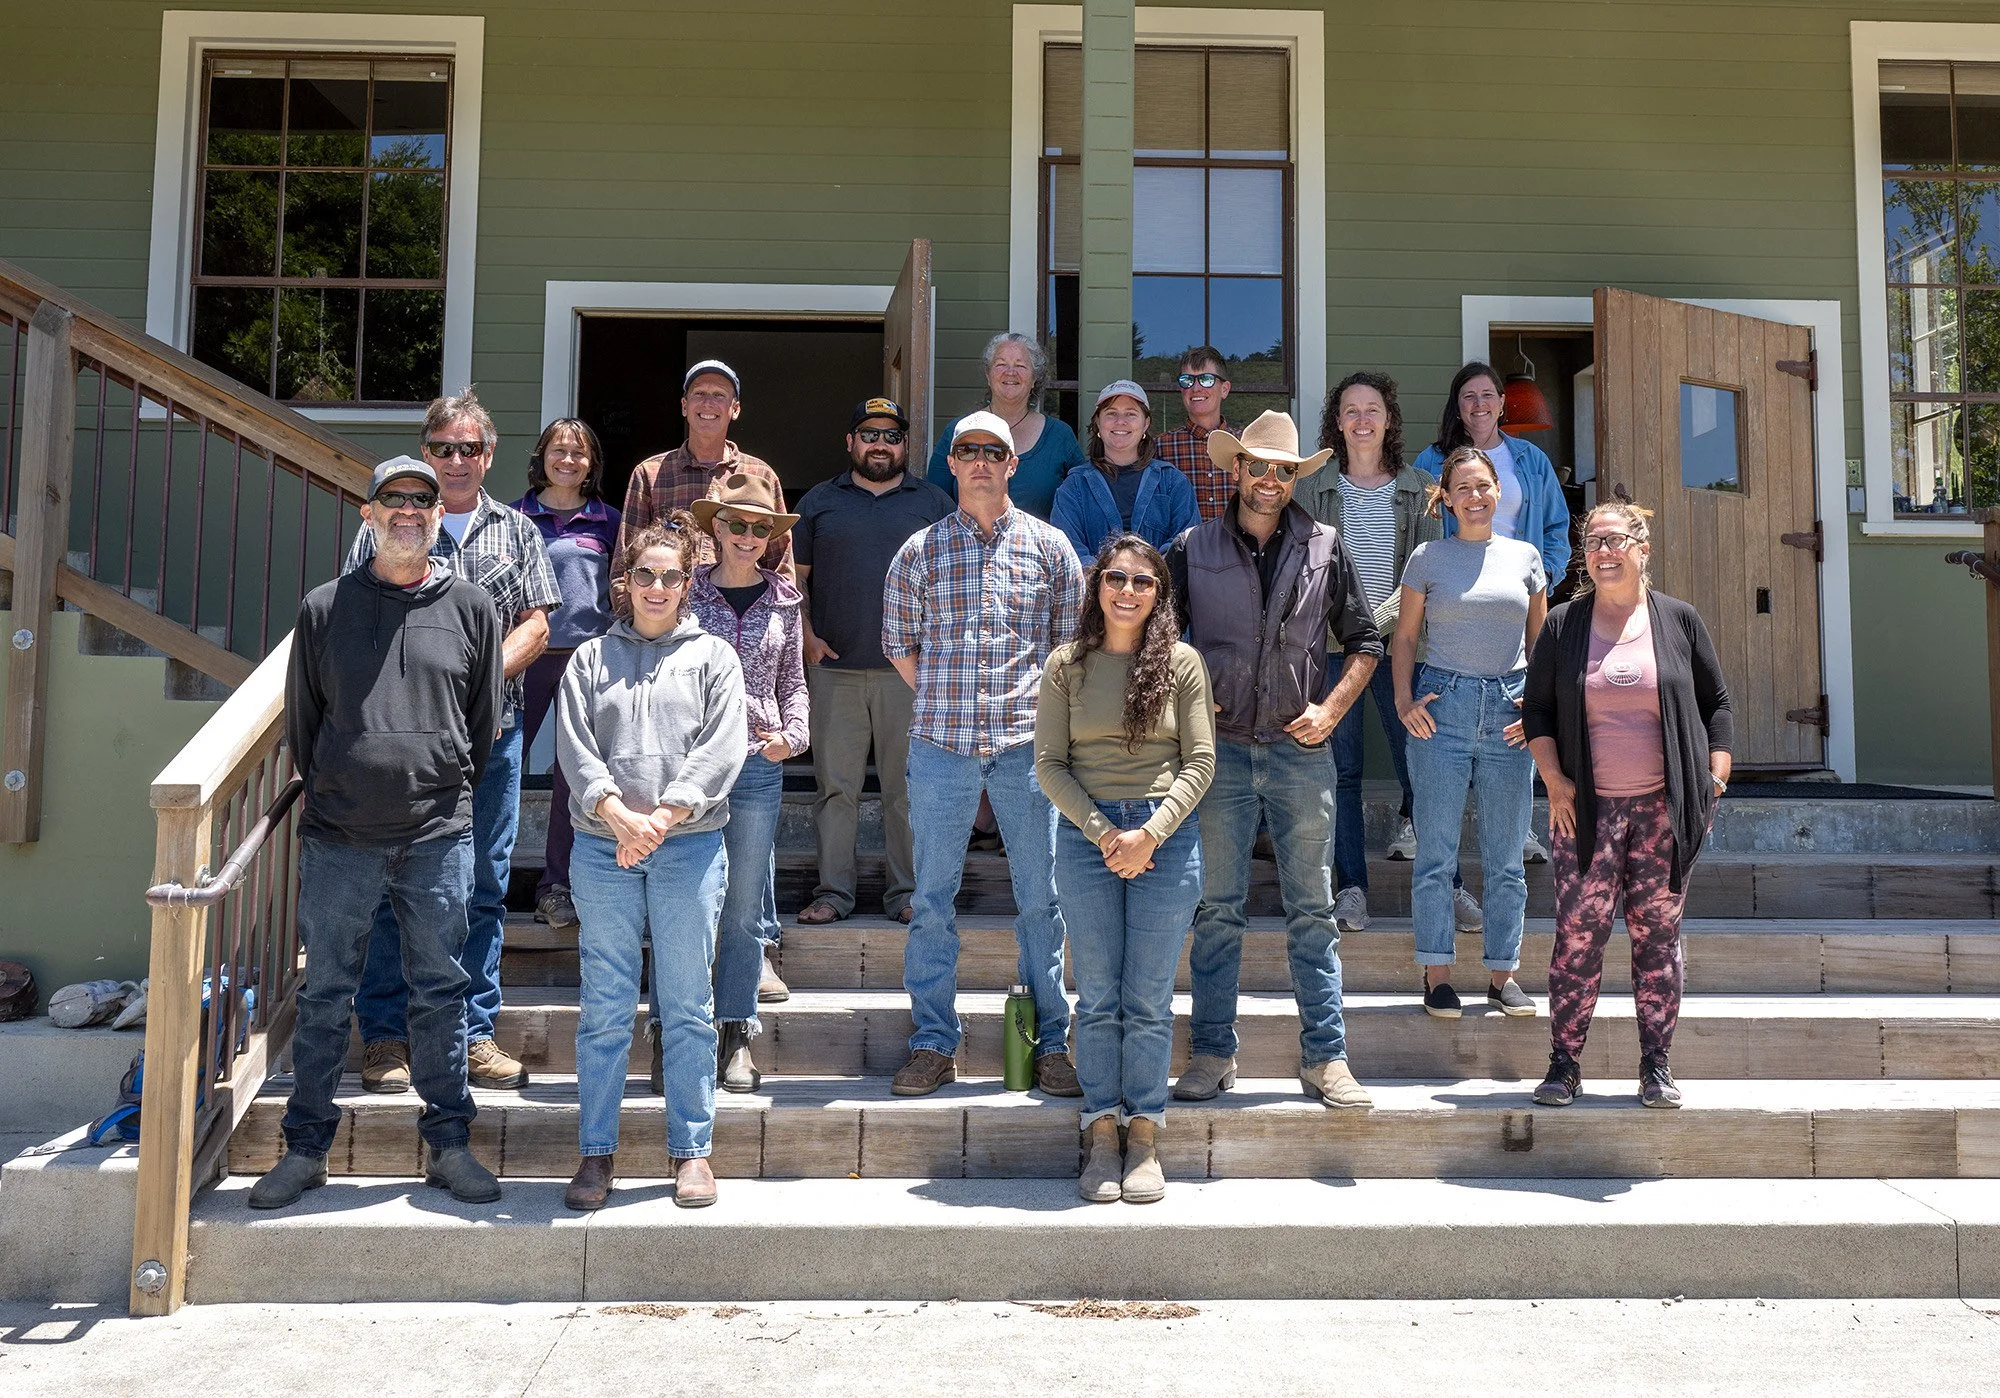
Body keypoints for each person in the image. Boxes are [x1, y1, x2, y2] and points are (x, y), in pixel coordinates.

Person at [252, 456, 504, 1209]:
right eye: (393, 498)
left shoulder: (473, 607)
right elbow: (305, 722)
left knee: (440, 992)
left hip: (436, 835)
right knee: (328, 993)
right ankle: (305, 1150)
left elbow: (482, 728)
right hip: (340, 836)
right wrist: (344, 779)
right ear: (368, 514)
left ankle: (450, 1145)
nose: (407, 510)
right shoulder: (324, 608)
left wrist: (438, 782)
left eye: (421, 500)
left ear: (436, 516)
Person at [1165, 411, 1382, 1109]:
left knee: (1312, 911)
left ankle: (1326, 1059)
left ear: (1295, 479)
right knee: (1218, 911)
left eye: (1283, 470)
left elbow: (1367, 642)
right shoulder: (1192, 546)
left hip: (1298, 755)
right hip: (1219, 759)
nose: (1268, 480)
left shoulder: (1325, 545)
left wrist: (1332, 710)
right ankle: (1212, 1052)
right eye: (1257, 466)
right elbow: (1150, 641)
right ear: (1235, 470)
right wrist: (1185, 709)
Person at [347, 390, 560, 1095]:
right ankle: (385, 1037)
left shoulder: (517, 530)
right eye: (444, 448)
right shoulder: (391, 518)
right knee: (388, 883)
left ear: (489, 455)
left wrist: (475, 682)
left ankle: (471, 1035)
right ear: (426, 451)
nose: (457, 460)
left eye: (470, 448)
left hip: (489, 739)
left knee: (483, 885)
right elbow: (354, 613)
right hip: (398, 743)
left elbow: (537, 625)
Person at [882, 410, 1086, 1097]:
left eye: (991, 452)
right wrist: (951, 700)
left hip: (1030, 751)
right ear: (952, 461)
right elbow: (899, 647)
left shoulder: (1053, 549)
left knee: (1041, 901)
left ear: (1011, 465)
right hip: (941, 747)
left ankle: (1051, 1043)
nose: (978, 462)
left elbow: (1068, 657)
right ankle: (934, 1043)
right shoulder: (919, 552)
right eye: (966, 450)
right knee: (932, 901)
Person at [557, 516, 748, 1211]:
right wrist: (616, 816)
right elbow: (576, 749)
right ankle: (596, 1153)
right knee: (605, 1007)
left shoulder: (715, 659)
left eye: (671, 575)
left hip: (688, 849)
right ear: (624, 582)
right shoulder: (588, 660)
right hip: (603, 851)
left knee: (688, 1006)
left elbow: (722, 749)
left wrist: (663, 818)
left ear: (688, 581)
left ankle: (692, 1150)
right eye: (646, 574)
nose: (658, 586)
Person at [1523, 502, 1733, 1109]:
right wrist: (1556, 781)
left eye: (1615, 540)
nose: (1603, 552)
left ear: (1644, 550)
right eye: (1593, 542)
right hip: (1583, 812)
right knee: (1578, 938)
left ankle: (1656, 1066)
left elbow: (1717, 703)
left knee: (1657, 939)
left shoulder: (1679, 621)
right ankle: (1564, 1064)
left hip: (1662, 813)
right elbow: (1536, 709)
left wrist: (1714, 779)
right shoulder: (1564, 625)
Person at [1036, 536, 1214, 1204]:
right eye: (1116, 578)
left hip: (1165, 836)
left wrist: (1150, 834)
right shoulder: (1066, 666)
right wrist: (1107, 832)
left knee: (1147, 995)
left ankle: (1144, 1132)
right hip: (1089, 837)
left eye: (1144, 582)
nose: (1128, 591)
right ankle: (1101, 1130)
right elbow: (1049, 763)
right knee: (1101, 993)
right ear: (1097, 586)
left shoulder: (1182, 663)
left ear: (1159, 594)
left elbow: (1200, 760)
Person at [1301, 373, 1481, 936]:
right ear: (1337, 420)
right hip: (1333, 652)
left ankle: (1448, 885)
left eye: (1372, 409)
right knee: (1343, 772)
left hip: (1406, 649)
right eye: (1350, 410)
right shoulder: (1313, 490)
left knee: (1423, 770)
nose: (1361, 420)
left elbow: (1423, 576)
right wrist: (1356, 631)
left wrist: (1379, 628)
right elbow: (1307, 575)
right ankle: (1350, 888)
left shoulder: (1420, 487)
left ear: (1388, 419)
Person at [1391, 447, 1546, 1020]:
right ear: (1446, 498)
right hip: (1444, 708)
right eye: (1463, 488)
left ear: (1497, 492)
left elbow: (1540, 643)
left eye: (1483, 486)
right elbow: (1405, 638)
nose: (1475, 496)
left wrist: (1540, 710)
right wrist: (1405, 700)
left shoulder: (1526, 558)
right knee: (1436, 852)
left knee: (1506, 855)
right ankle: (1437, 974)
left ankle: (1503, 974)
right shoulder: (1428, 558)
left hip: (1510, 712)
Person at [791, 398, 954, 928]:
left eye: (891, 436)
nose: (879, 444)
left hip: (909, 675)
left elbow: (953, 585)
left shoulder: (932, 502)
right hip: (833, 668)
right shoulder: (818, 502)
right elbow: (797, 581)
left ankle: (905, 893)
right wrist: (807, 636)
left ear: (906, 445)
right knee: (835, 789)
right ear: (850, 442)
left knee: (906, 790)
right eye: (869, 434)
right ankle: (833, 892)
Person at [1413, 361, 1572, 868]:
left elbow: (1555, 526)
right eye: (1468, 397)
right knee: (1436, 716)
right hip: (1454, 595)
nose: (1478, 405)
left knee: (1517, 706)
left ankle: (1515, 825)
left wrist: (1536, 578)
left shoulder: (1529, 460)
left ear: (1503, 403)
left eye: (1488, 395)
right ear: (1457, 406)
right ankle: (1418, 821)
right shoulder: (1430, 460)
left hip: (1514, 592)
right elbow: (1416, 531)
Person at [687, 475, 809, 1094]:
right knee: (685, 904)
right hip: (690, 768)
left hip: (759, 767)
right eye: (736, 525)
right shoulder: (682, 595)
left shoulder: (785, 602)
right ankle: (677, 1034)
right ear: (716, 528)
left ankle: (736, 1032)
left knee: (739, 912)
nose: (748, 536)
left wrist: (795, 735)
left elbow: (793, 684)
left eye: (760, 528)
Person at [512, 419, 620, 932]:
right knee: (498, 767)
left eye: (580, 453)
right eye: (559, 451)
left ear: (591, 463)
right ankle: (477, 878)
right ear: (542, 457)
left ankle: (559, 887)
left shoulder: (609, 521)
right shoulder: (513, 517)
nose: (569, 460)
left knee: (573, 778)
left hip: (588, 662)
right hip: (523, 657)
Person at [620, 359, 793, 578]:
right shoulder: (649, 474)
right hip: (668, 609)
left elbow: (781, 569)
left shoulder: (761, 475)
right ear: (684, 406)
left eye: (719, 395)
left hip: (738, 611)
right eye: (699, 393)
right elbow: (625, 565)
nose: (708, 403)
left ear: (735, 409)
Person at [926, 331, 1085, 520]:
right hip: (965, 546)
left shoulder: (1060, 435)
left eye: (1020, 365)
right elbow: (934, 502)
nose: (1010, 372)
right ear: (988, 375)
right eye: (1001, 364)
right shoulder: (958, 431)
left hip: (1040, 547)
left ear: (1035, 378)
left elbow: (1082, 501)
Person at [1050, 380, 1198, 558]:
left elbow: (1186, 542)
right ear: (1098, 422)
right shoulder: (1074, 487)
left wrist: (1146, 576)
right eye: (1111, 413)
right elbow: (1067, 549)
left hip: (1160, 585)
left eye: (1131, 414)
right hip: (1092, 584)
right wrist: (1106, 578)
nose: (1120, 421)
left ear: (1145, 424)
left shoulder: (1173, 483)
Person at [1152, 346, 1238, 522]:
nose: (1196, 388)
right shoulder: (1159, 448)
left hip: (1238, 548)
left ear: (1225, 389)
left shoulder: (1246, 444)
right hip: (1183, 549)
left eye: (1206, 379)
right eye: (1187, 380)